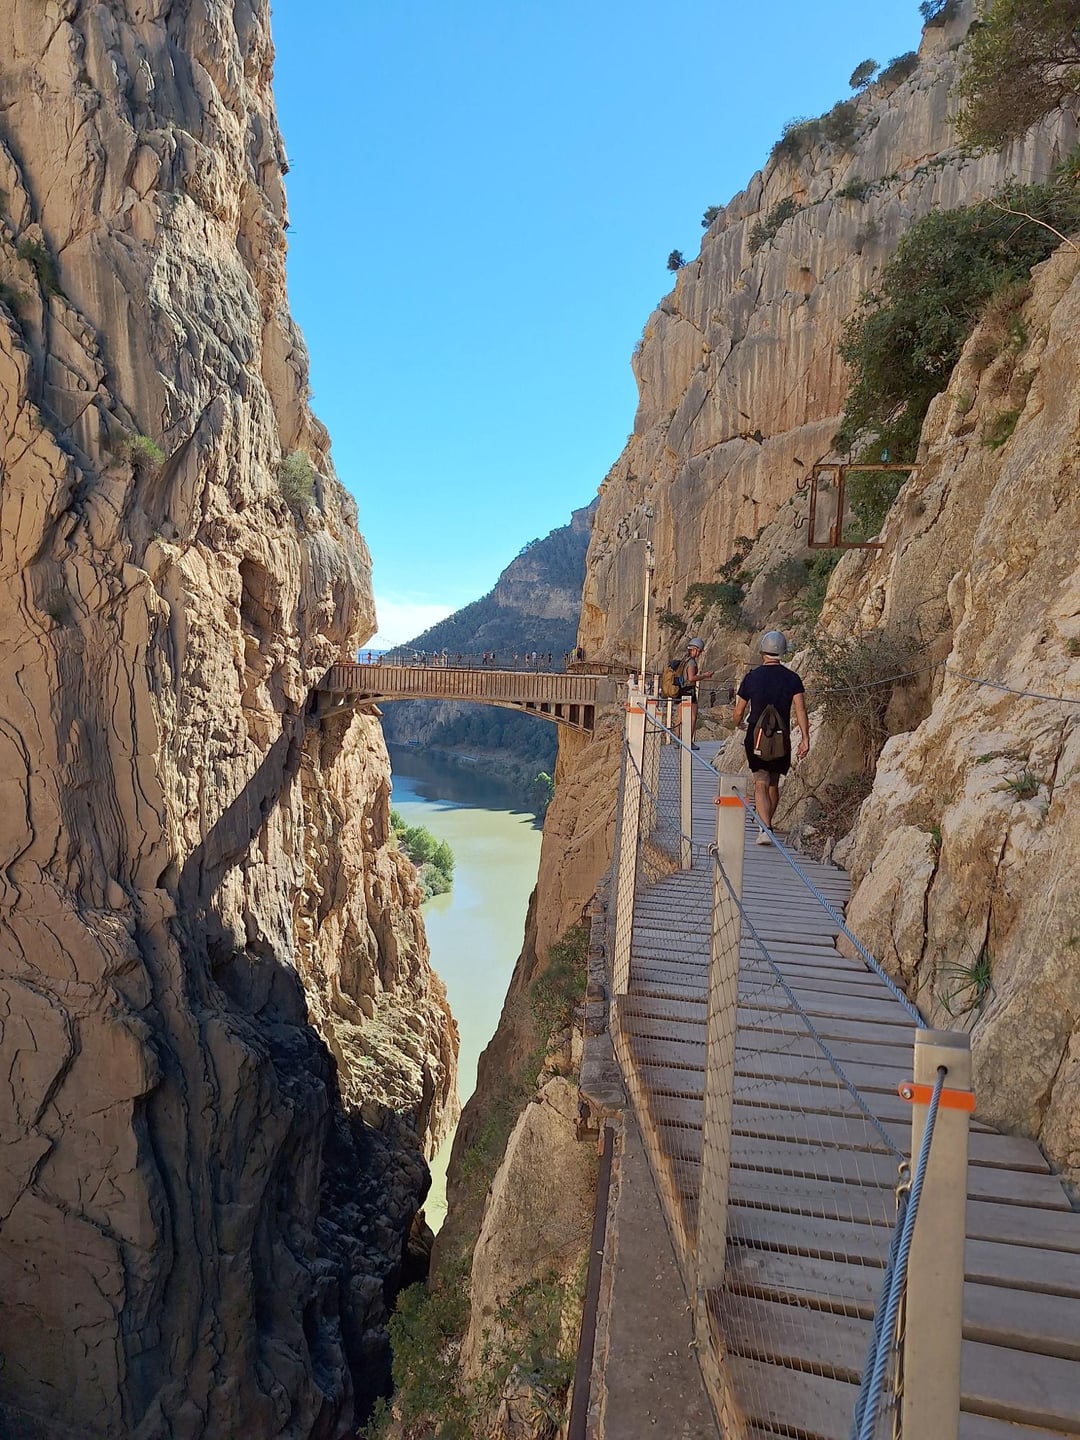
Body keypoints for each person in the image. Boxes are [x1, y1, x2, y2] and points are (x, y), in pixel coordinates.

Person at [732, 630, 809, 844]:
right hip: (781, 737)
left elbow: (739, 711)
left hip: (757, 736)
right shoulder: (792, 679)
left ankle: (765, 828)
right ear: (782, 652)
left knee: (760, 782)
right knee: (773, 782)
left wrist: (738, 723)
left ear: (763, 651)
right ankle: (766, 825)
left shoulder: (752, 677)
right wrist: (805, 738)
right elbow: (800, 709)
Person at [677, 637, 713, 748]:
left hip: (681, 689)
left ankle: (677, 740)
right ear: (695, 649)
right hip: (689, 691)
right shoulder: (691, 662)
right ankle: (688, 742)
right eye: (700, 651)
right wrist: (705, 676)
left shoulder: (684, 659)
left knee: (679, 717)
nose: (699, 654)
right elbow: (691, 678)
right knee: (692, 717)